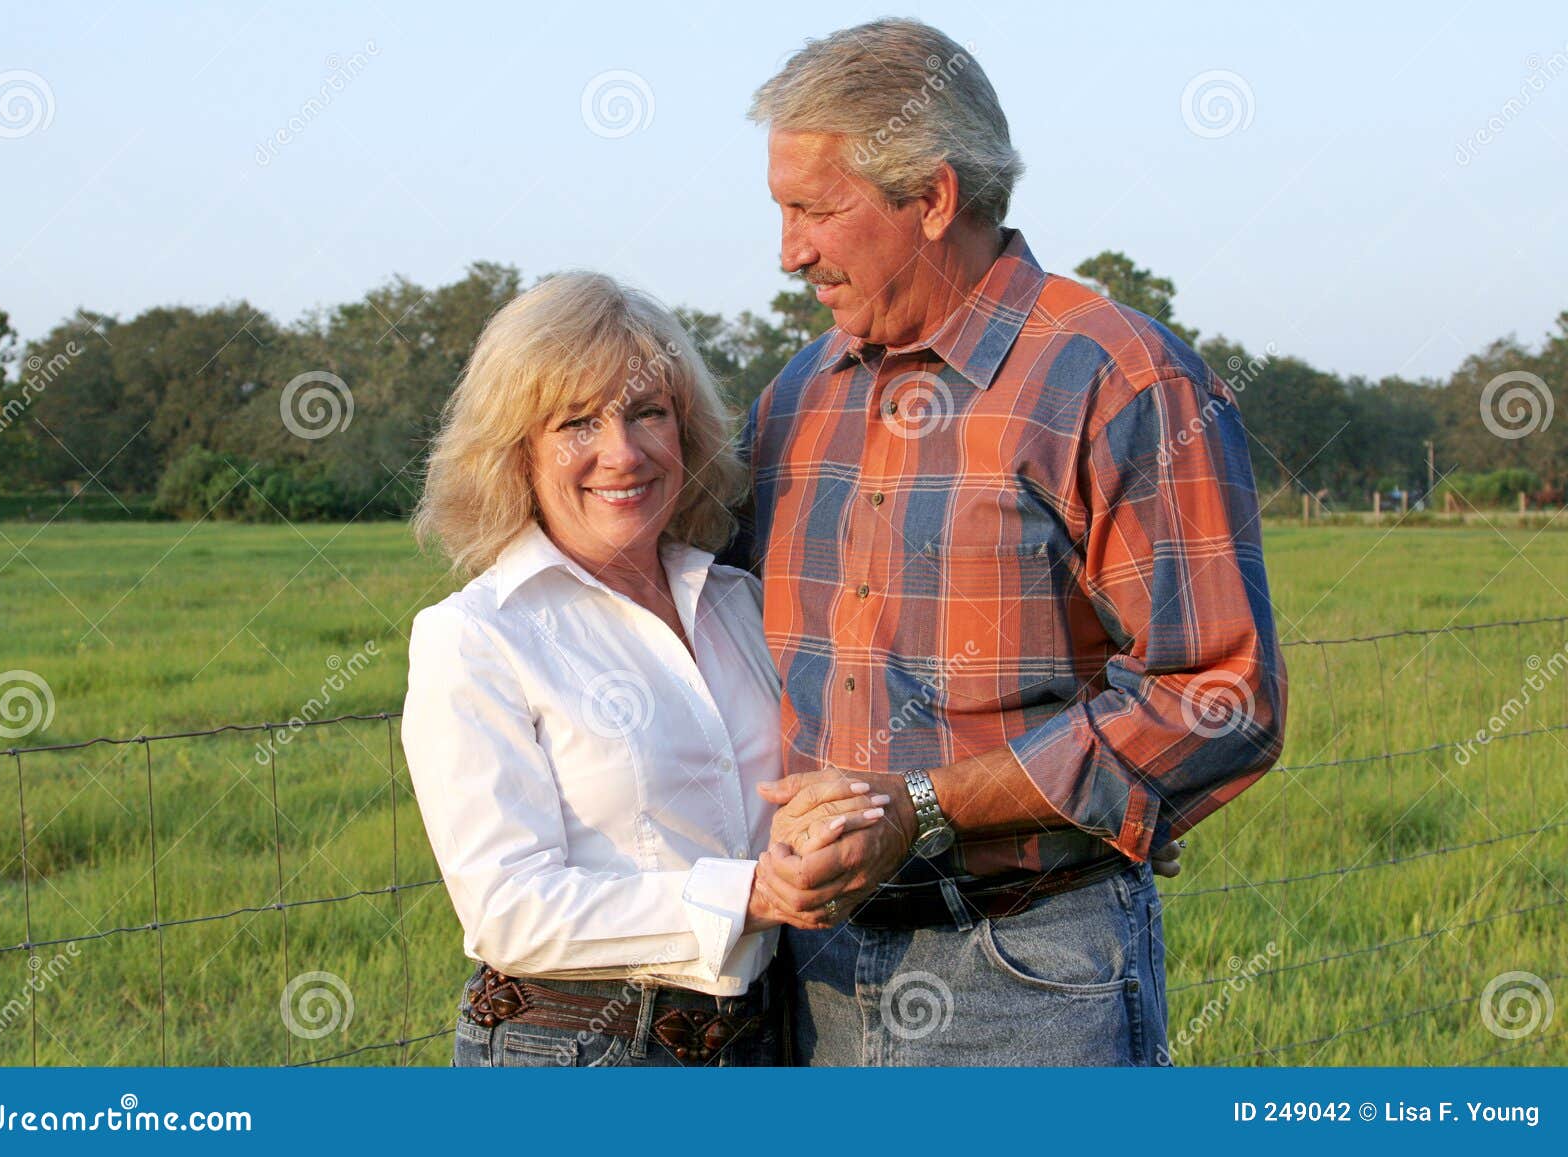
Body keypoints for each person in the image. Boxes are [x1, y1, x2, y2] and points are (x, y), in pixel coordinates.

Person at [736, 18, 1289, 1065]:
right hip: (802, 974)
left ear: (933, 198)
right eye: (782, 211)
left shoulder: (1118, 377)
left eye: (815, 209)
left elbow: (1219, 695)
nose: (789, 251)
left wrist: (927, 807)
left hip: (1025, 975)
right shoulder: (796, 395)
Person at [400, 272, 890, 1067]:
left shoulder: (738, 602)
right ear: (517, 451)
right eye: (576, 423)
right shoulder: (476, 635)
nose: (621, 453)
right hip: (572, 1049)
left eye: (647, 413)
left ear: (686, 430)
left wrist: (1066, 809)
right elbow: (507, 909)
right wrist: (753, 893)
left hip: (770, 1030)